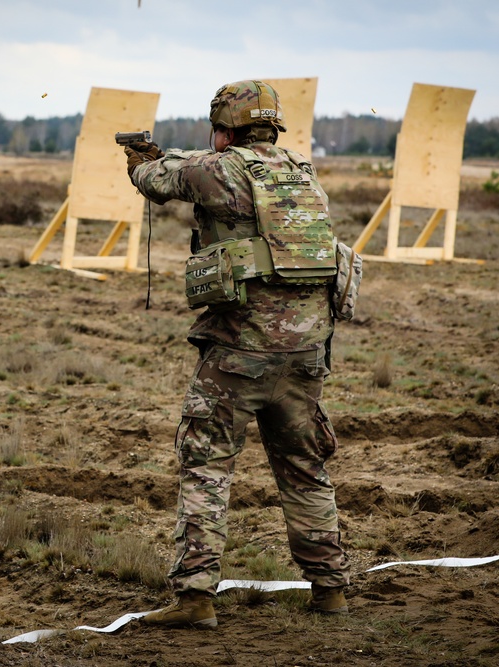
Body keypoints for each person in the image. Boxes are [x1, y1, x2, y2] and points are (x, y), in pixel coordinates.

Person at [124, 80, 357, 628]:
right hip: (304, 350)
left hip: (238, 351)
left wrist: (140, 157)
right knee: (304, 468)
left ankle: (196, 599)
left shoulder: (218, 168)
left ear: (224, 127)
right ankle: (330, 589)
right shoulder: (301, 170)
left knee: (206, 467)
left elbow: (156, 181)